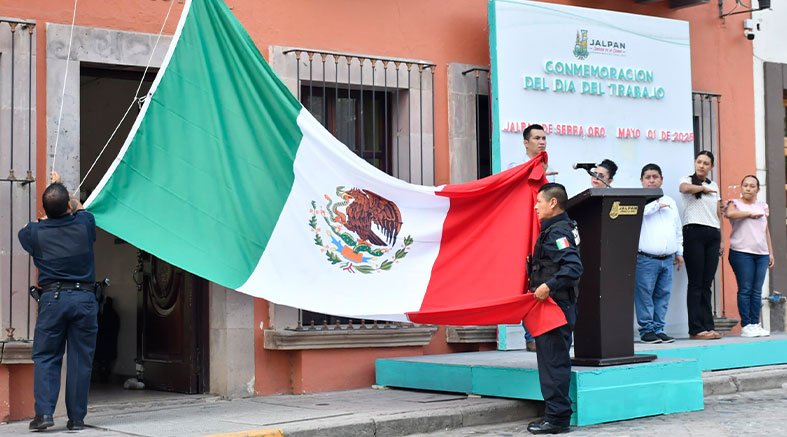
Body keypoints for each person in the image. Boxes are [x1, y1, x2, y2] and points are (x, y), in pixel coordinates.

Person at [18, 171, 98, 431]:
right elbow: (81, 207)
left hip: (52, 299)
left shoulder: (34, 233)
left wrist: (44, 217)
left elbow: (26, 232)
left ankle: (44, 415)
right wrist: (61, 186)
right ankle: (76, 420)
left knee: (46, 356)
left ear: (44, 209)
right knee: (80, 359)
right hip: (84, 298)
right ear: (67, 206)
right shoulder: (84, 224)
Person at [526, 183, 583, 435]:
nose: (535, 206)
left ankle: (557, 419)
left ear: (552, 203)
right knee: (551, 363)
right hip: (553, 307)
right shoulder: (557, 228)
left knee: (554, 364)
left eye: (539, 201)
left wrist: (548, 285)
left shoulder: (558, 232)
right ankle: (555, 415)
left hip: (556, 307)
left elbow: (573, 267)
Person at [634, 164, 684, 344]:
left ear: (661, 179)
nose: (652, 180)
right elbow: (637, 217)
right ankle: (647, 330)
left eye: (655, 176)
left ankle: (658, 328)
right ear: (642, 181)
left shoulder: (670, 201)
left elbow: (677, 228)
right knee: (645, 295)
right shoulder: (638, 201)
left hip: (668, 259)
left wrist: (679, 252)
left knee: (663, 295)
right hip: (646, 259)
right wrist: (655, 206)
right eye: (647, 177)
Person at [679, 151, 723, 340]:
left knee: (707, 283)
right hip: (694, 232)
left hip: (713, 233)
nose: (702, 165)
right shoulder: (688, 180)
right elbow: (684, 188)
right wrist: (702, 190)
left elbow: (717, 211)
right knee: (696, 283)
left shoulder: (713, 185)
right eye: (699, 162)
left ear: (711, 166)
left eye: (706, 163)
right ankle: (696, 329)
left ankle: (708, 325)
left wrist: (721, 238)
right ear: (695, 163)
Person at [725, 175, 775, 337]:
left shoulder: (762, 206)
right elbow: (730, 214)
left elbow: (765, 230)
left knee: (757, 290)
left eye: (752, 186)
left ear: (758, 189)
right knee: (745, 289)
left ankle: (755, 323)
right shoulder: (735, 204)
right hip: (741, 252)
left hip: (761, 253)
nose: (748, 188)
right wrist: (748, 214)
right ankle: (746, 324)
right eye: (745, 185)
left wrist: (770, 252)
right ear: (741, 187)